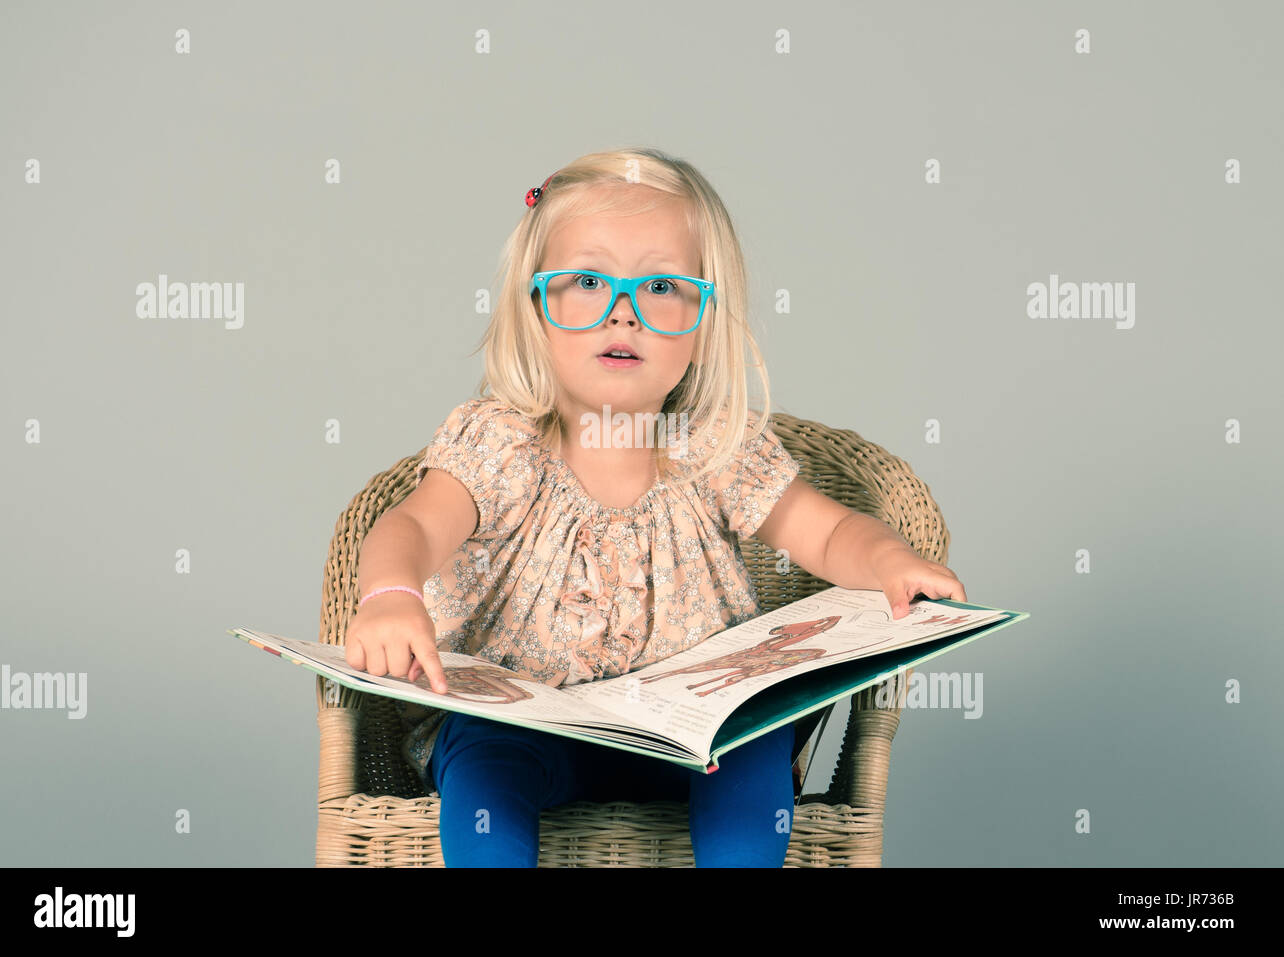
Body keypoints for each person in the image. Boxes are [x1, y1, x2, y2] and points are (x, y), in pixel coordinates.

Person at [344, 147, 967, 867]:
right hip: (523, 730)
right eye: (586, 281)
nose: (624, 313)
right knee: (483, 772)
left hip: (691, 737)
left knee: (756, 748)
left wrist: (890, 560)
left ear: (701, 323)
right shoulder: (502, 444)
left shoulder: (713, 448)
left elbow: (825, 531)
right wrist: (390, 593)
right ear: (537, 308)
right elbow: (414, 525)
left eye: (662, 286)